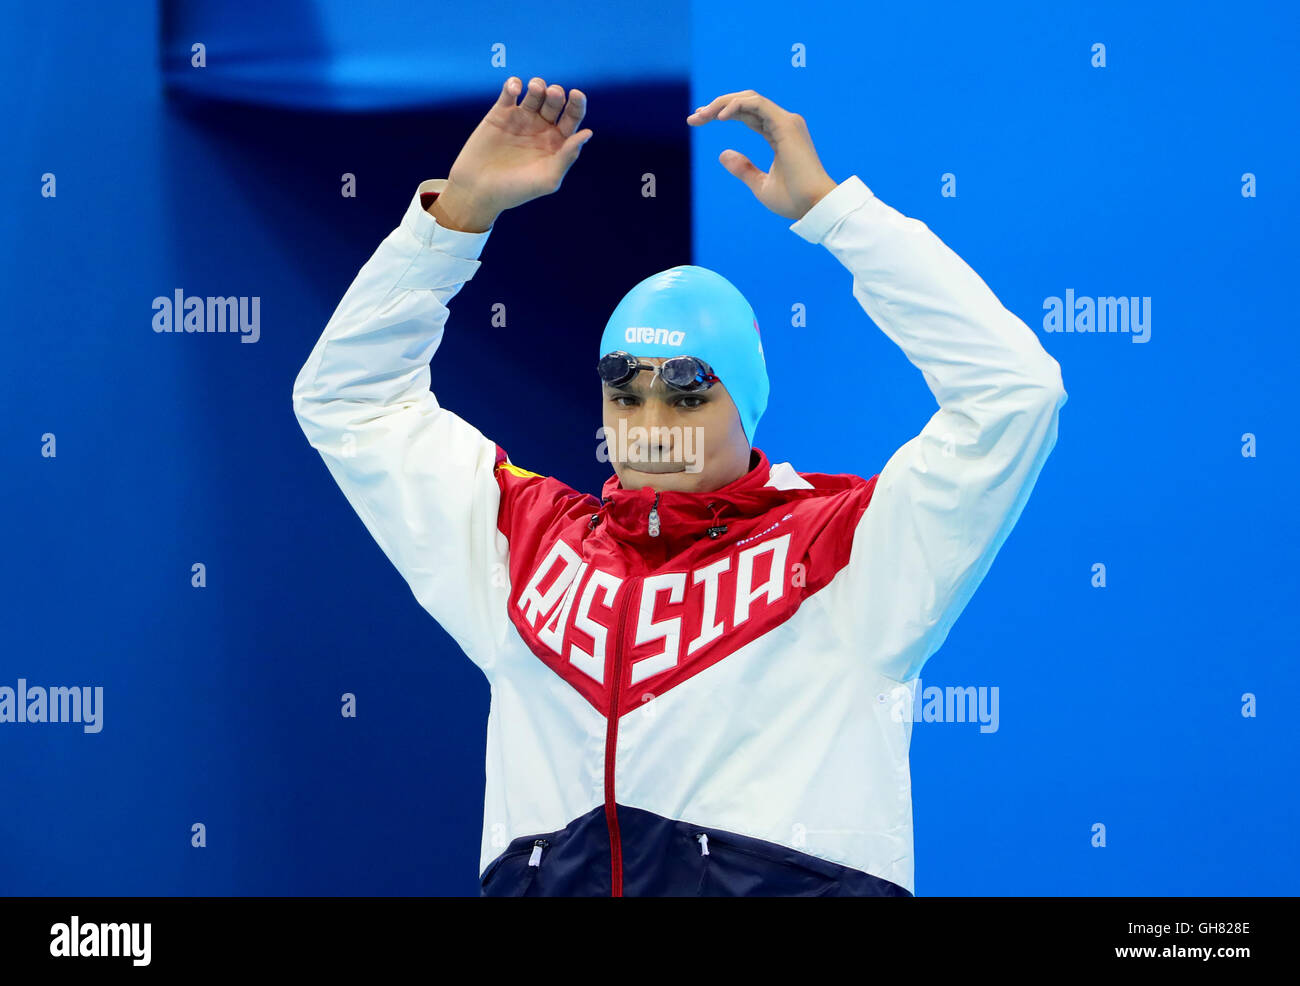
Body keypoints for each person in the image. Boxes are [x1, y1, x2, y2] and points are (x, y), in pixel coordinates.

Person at [292, 76, 1067, 896]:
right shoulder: (523, 548)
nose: (651, 422)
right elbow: (349, 398)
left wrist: (839, 216)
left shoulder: (852, 552)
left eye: (689, 396)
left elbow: (1013, 394)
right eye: (625, 395)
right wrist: (455, 218)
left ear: (749, 403)